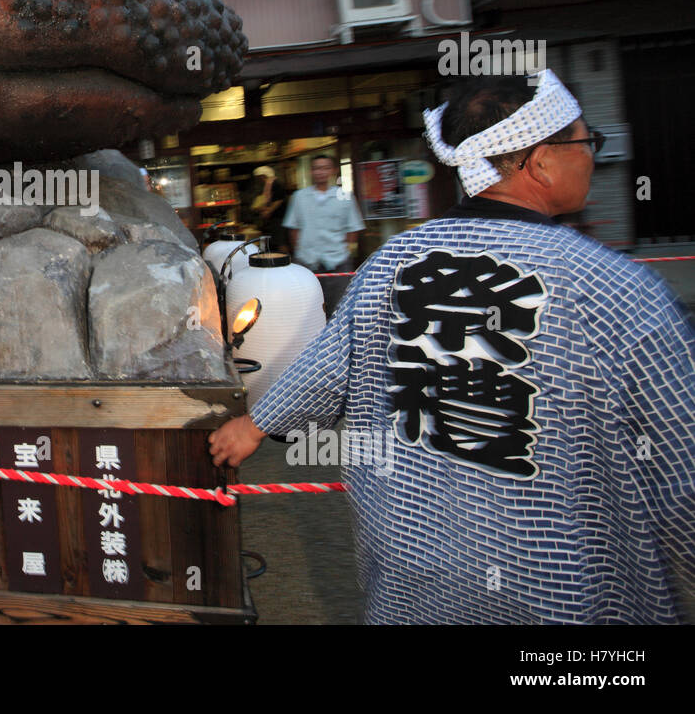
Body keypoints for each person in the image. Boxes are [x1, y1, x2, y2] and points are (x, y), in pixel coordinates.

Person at [209, 71, 695, 623]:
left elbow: (329, 362)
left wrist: (256, 424)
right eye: (587, 142)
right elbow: (682, 473)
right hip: (561, 595)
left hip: (414, 575)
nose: (592, 156)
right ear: (540, 160)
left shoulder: (394, 261)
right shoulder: (612, 288)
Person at [283, 154, 363, 312]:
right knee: (308, 307)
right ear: (311, 172)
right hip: (307, 260)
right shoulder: (299, 197)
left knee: (340, 306)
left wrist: (346, 252)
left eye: (325, 168)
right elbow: (293, 228)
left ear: (332, 170)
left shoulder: (344, 196)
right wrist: (300, 251)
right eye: (317, 168)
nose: (321, 172)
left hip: (338, 260)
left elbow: (353, 229)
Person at [248, 165, 288, 253]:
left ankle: (285, 260)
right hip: (275, 218)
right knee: (277, 241)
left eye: (258, 178)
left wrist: (268, 211)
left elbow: (279, 200)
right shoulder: (269, 184)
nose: (258, 180)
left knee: (280, 241)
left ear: (263, 176)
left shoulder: (275, 183)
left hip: (279, 218)